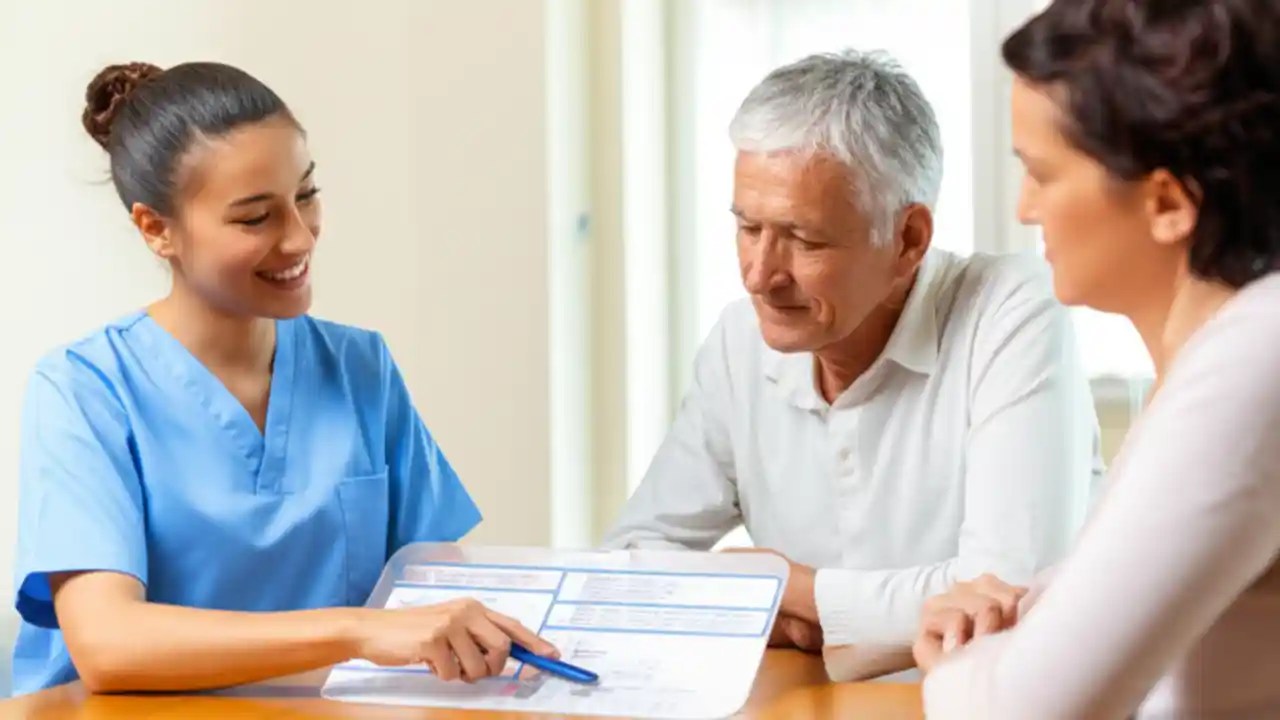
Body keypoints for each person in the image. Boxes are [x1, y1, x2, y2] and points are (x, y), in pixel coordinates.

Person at [9, 61, 556, 696]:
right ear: (156, 229)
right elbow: (109, 643)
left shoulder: (360, 369)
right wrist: (356, 632)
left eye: (306, 194)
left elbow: (431, 593)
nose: (299, 238)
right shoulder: (86, 388)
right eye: (254, 218)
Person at [603, 50, 1102, 681]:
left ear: (909, 240)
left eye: (805, 241)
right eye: (748, 228)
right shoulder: (739, 340)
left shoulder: (1011, 310)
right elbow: (627, 563)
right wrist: (755, 601)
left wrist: (788, 587)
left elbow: (1010, 596)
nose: (760, 275)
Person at [915, 1, 1280, 717]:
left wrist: (963, 664)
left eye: (1043, 174)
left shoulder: (1251, 359)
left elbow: (1028, 710)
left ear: (1168, 201)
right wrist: (1020, 617)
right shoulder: (1213, 362)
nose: (1025, 209)